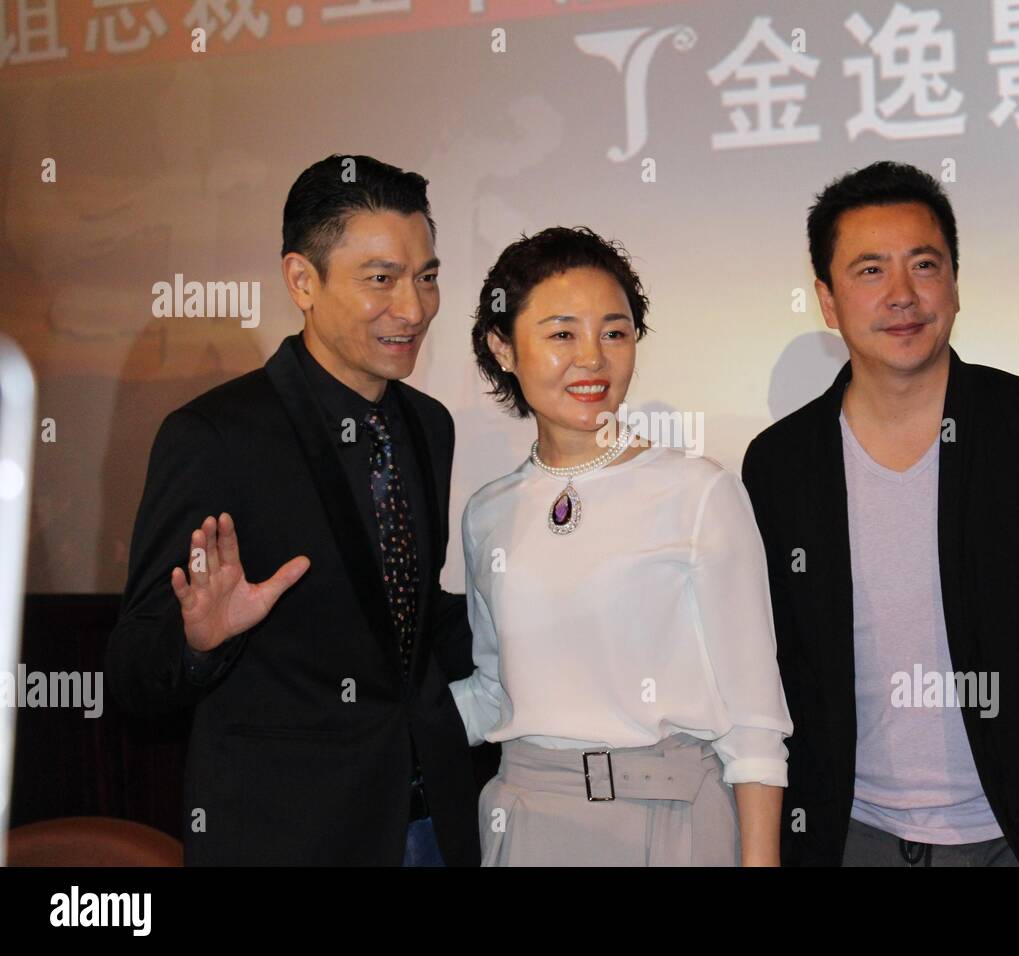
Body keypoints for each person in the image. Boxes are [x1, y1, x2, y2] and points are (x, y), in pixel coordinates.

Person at [742, 162, 1019, 867]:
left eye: (924, 265)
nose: (902, 295)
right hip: (852, 836)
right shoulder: (782, 465)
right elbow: (767, 670)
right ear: (827, 299)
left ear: (955, 283)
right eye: (870, 271)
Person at [106, 154, 479, 865]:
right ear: (302, 281)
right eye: (382, 280)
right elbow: (132, 669)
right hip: (291, 834)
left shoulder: (429, 425)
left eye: (426, 277)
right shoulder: (215, 436)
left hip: (431, 821)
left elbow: (406, 614)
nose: (414, 307)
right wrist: (197, 641)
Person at [451, 226, 791, 866]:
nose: (593, 359)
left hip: (669, 821)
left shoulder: (698, 492)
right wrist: (349, 719)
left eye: (615, 332)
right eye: (561, 334)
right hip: (524, 819)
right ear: (503, 347)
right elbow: (496, 691)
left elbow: (754, 720)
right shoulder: (487, 514)